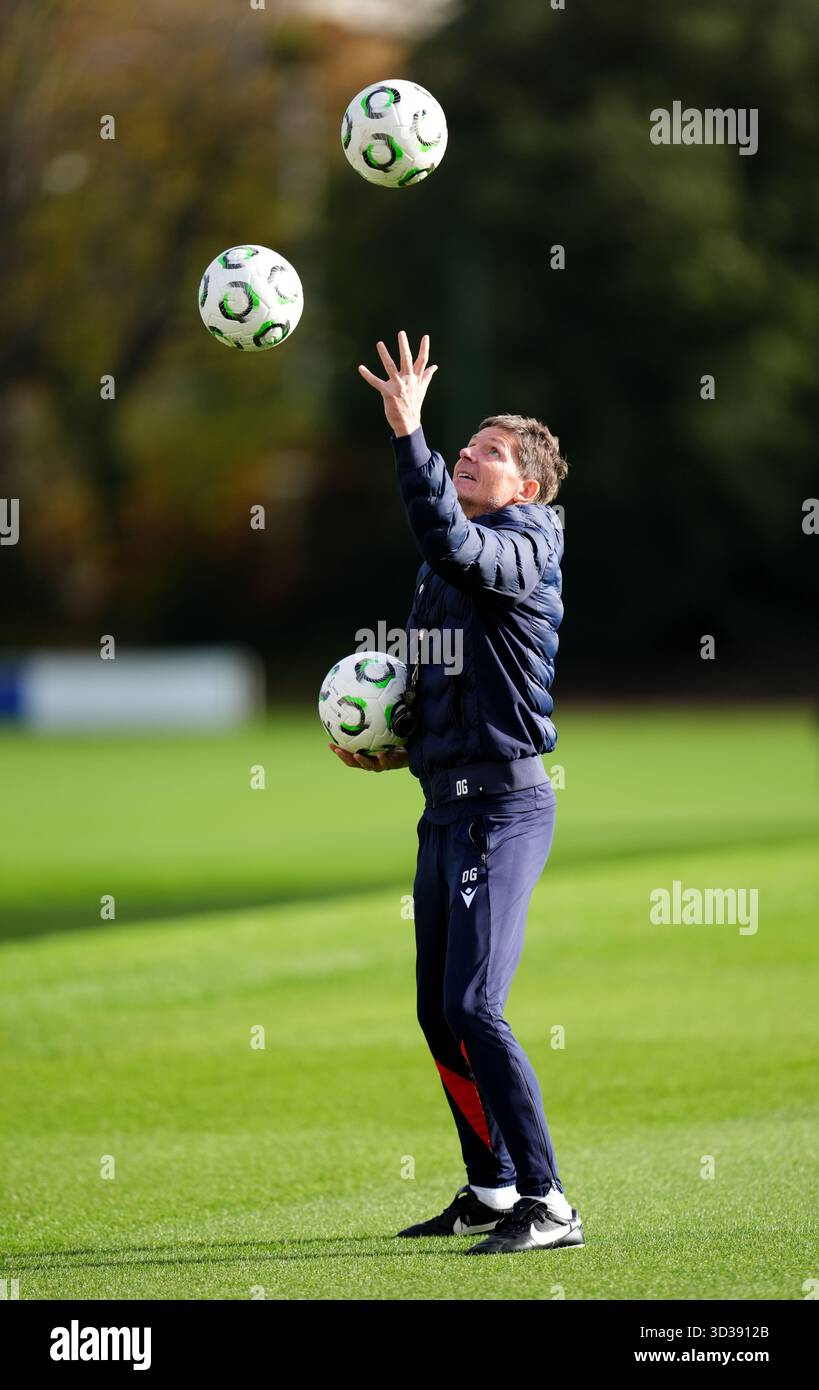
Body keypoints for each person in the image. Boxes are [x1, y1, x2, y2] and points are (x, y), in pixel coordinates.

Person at [329, 331, 583, 1255]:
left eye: (489, 454)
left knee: (476, 1004)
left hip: (505, 809)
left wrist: (410, 436)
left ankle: (549, 1205)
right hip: (447, 807)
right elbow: (442, 677)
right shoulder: (452, 561)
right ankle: (489, 1185)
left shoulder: (522, 547)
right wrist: (397, 749)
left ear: (528, 488)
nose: (469, 456)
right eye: (463, 446)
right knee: (439, 1010)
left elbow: (453, 541)